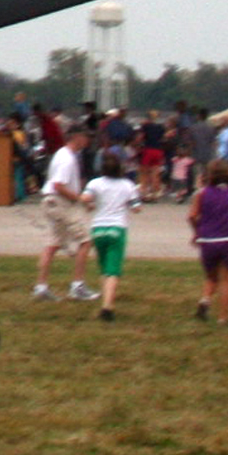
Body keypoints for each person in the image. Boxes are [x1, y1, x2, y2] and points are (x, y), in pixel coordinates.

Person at [32, 131, 95, 302]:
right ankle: (78, 286)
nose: (87, 140)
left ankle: (41, 287)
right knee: (86, 240)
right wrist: (80, 199)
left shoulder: (63, 154)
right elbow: (58, 185)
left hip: (52, 203)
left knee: (52, 244)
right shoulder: (67, 158)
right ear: (76, 137)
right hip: (60, 203)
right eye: (85, 137)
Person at [186, 158, 228, 322]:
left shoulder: (201, 194)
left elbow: (192, 216)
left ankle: (205, 299)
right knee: (226, 280)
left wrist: (197, 232)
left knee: (211, 276)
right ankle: (223, 317)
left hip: (208, 240)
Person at [85, 151, 140, 320]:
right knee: (113, 270)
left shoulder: (95, 183)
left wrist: (92, 205)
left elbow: (84, 198)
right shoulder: (128, 185)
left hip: (98, 228)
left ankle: (105, 299)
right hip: (117, 228)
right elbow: (136, 207)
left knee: (103, 268)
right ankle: (107, 307)